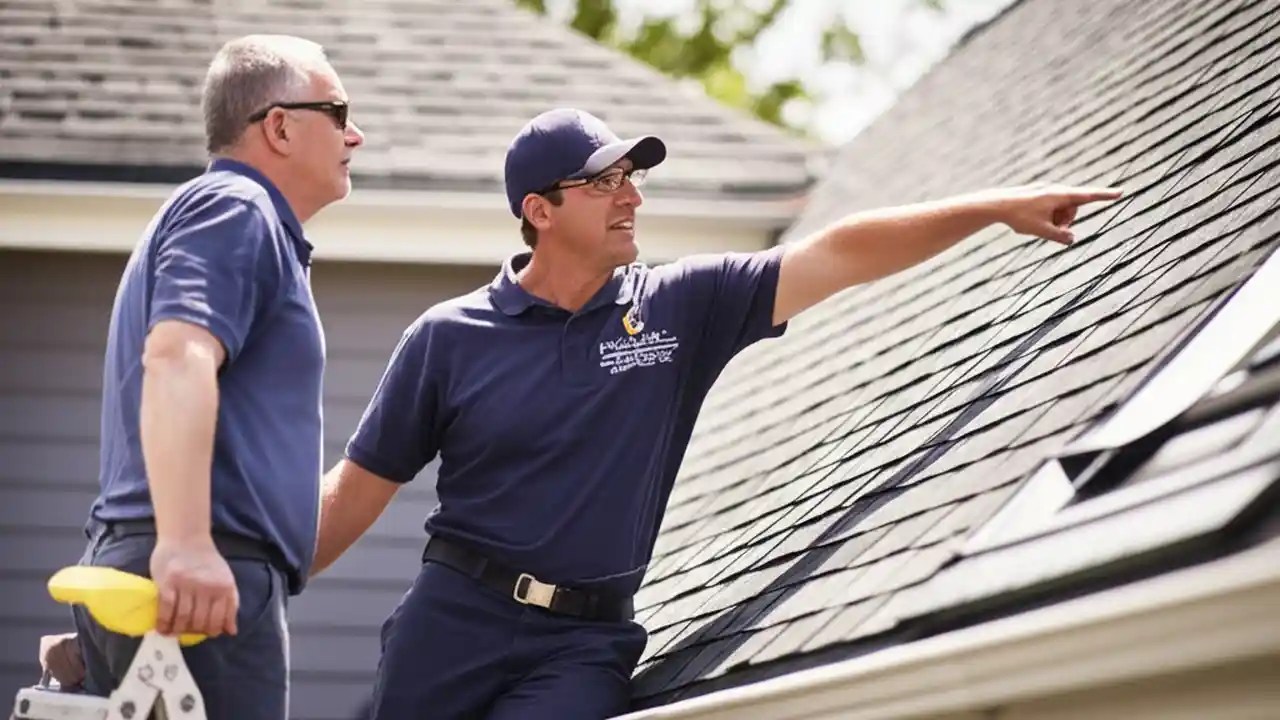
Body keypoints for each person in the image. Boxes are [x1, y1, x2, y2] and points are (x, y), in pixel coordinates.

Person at [307, 108, 1121, 719]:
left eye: (633, 177)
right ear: (540, 211)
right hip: (456, 618)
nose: (629, 196)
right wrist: (241, 582)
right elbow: (354, 492)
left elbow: (835, 254)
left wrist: (990, 208)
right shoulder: (449, 339)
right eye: (603, 182)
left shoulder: (680, 306)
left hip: (583, 643)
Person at [72, 34, 364, 720]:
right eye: (339, 110)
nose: (357, 132)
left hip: (174, 570)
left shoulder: (230, 215)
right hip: (202, 581)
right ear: (281, 126)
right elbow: (176, 357)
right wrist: (181, 549)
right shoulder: (237, 207)